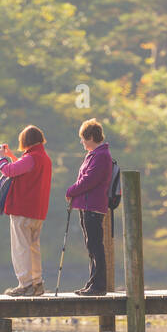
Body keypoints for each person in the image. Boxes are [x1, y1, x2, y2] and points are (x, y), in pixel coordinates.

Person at [0, 125, 52, 296]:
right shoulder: (44, 157)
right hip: (38, 211)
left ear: (25, 141)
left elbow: (8, 171)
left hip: (23, 210)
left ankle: (25, 284)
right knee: (33, 247)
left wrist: (1, 159)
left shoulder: (31, 158)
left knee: (21, 248)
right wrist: (11, 156)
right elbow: (23, 167)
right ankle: (37, 283)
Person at [65, 118, 113, 296]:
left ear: (91, 137)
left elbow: (89, 180)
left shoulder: (101, 156)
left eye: (83, 138)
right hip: (87, 206)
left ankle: (99, 285)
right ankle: (93, 282)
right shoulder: (94, 155)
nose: (82, 142)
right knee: (91, 245)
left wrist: (71, 190)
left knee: (95, 245)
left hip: (93, 206)